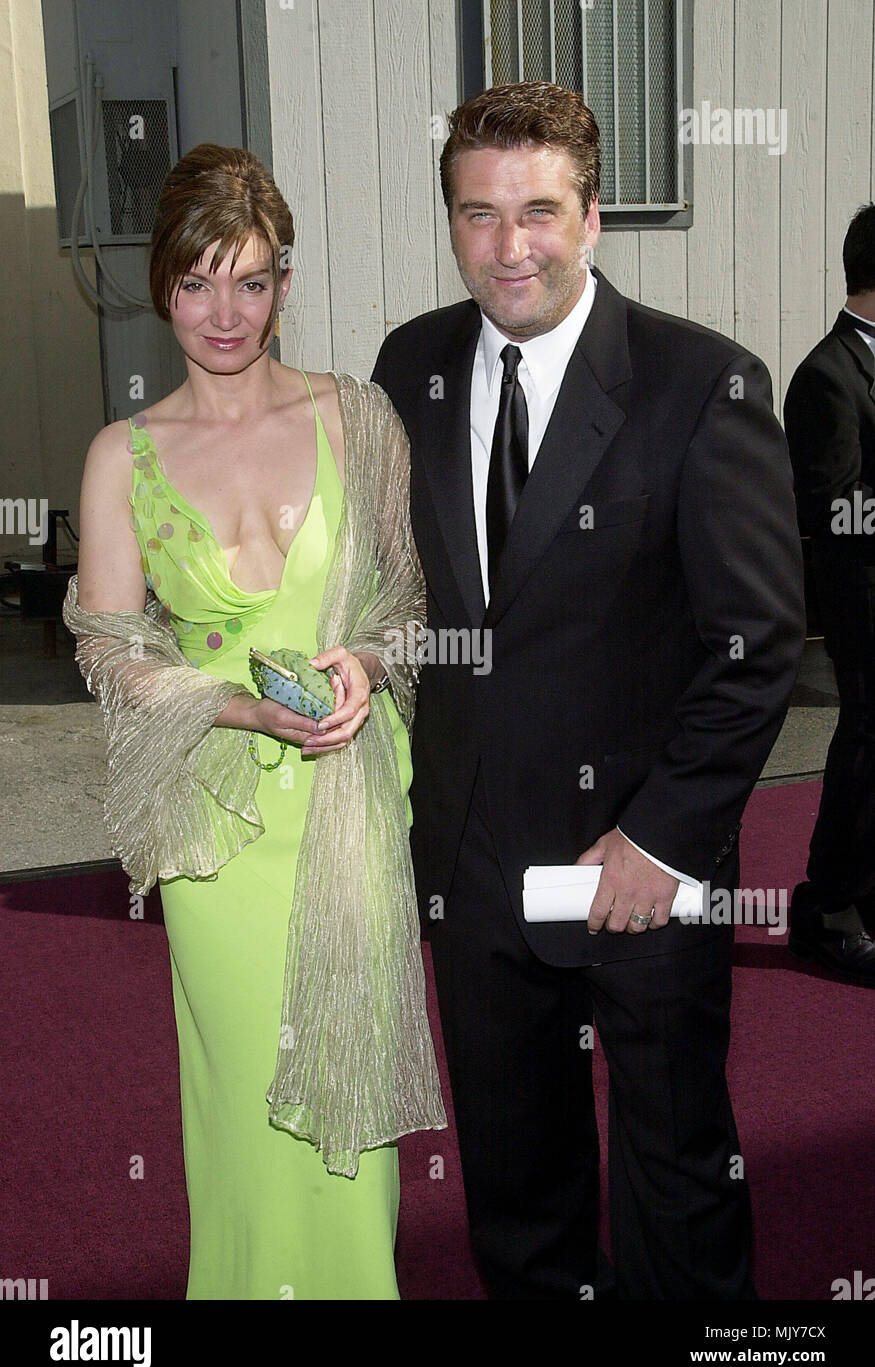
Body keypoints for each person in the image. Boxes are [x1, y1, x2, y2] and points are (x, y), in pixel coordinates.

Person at [372, 82, 806, 1299]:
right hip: (474, 859)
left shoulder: (698, 383)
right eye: (478, 214)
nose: (510, 247)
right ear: (449, 220)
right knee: (515, 1183)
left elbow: (756, 640)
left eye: (538, 211)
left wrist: (662, 842)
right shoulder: (410, 368)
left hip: (640, 864)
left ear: (592, 214)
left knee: (672, 1176)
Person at [63, 143, 445, 1301]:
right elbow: (111, 650)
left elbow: (409, 606)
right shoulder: (123, 456)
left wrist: (366, 663)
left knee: (345, 1111)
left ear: (285, 281)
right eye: (195, 282)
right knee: (243, 1109)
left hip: (347, 811)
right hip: (220, 836)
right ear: (159, 285)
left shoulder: (360, 416)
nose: (223, 313)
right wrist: (237, 706)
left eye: (250, 280)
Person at [784, 203, 875, 986]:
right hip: (864, 601)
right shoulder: (825, 375)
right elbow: (830, 507)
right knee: (865, 748)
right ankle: (825, 909)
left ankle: (862, 896)